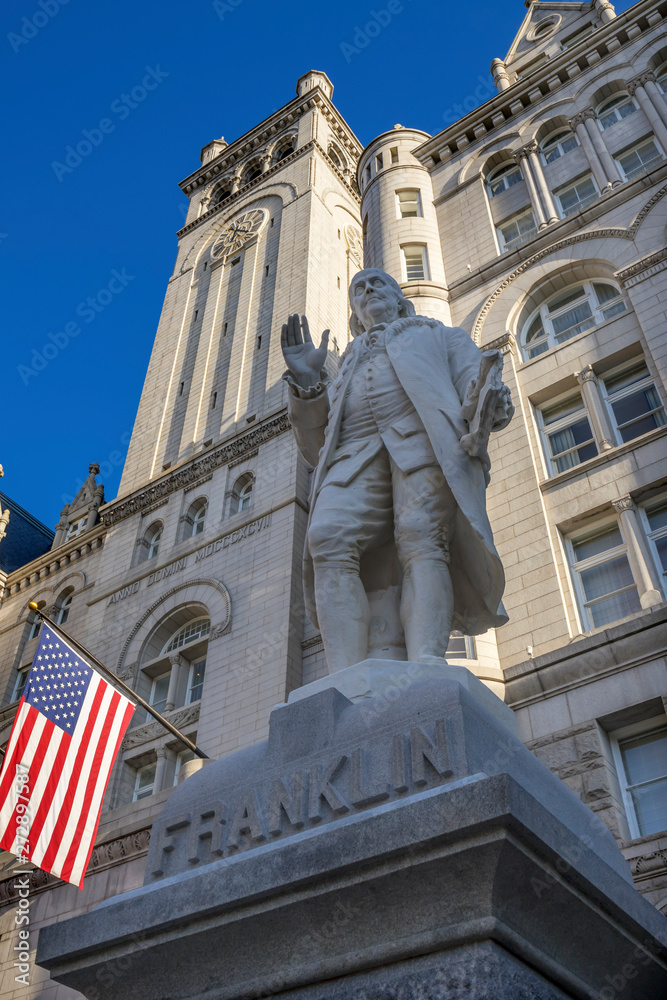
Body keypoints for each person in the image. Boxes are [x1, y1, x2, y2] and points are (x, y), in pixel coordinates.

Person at [282, 268, 513, 674]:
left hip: (423, 447)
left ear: (400, 298)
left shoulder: (439, 334)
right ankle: (344, 676)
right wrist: (307, 384)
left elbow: (477, 385)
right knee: (326, 539)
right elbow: (316, 447)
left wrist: (490, 402)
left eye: (378, 283)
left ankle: (426, 660)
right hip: (353, 459)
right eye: (358, 288)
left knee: (421, 538)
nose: (368, 289)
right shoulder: (345, 362)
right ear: (353, 311)